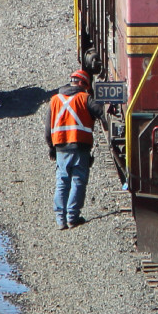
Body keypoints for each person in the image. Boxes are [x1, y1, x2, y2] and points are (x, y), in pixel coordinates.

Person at [44, 69, 104, 230]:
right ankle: (72, 217)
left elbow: (48, 128)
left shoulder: (54, 100)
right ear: (82, 84)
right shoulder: (85, 98)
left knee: (62, 182)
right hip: (80, 147)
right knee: (78, 181)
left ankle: (60, 220)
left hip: (61, 148)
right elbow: (101, 113)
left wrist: (51, 147)